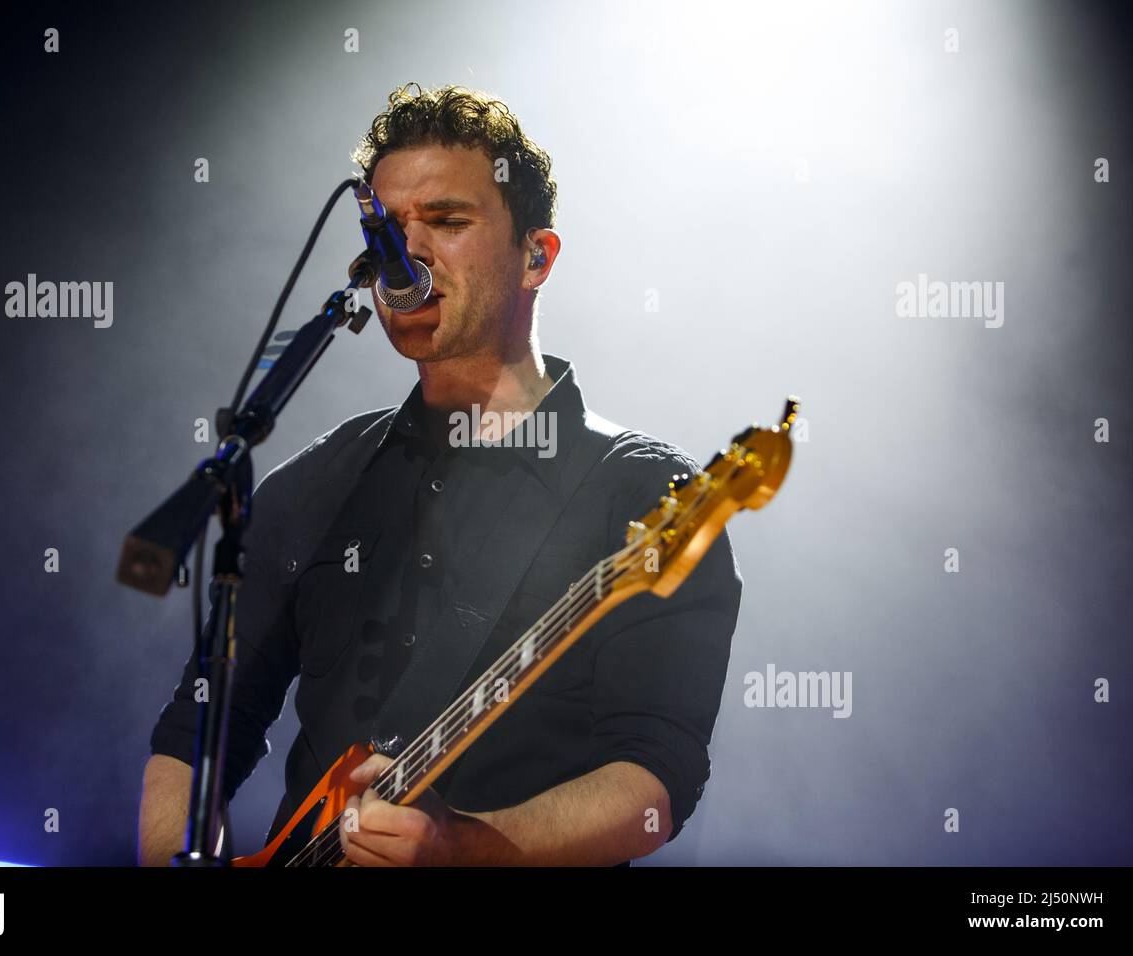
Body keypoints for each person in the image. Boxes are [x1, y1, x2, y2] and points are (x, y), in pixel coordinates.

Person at [138, 82, 743, 866]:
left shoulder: (645, 494)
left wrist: (469, 849)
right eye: (388, 232)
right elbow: (196, 733)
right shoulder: (317, 481)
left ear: (536, 256)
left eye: (448, 221)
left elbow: (657, 779)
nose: (408, 254)